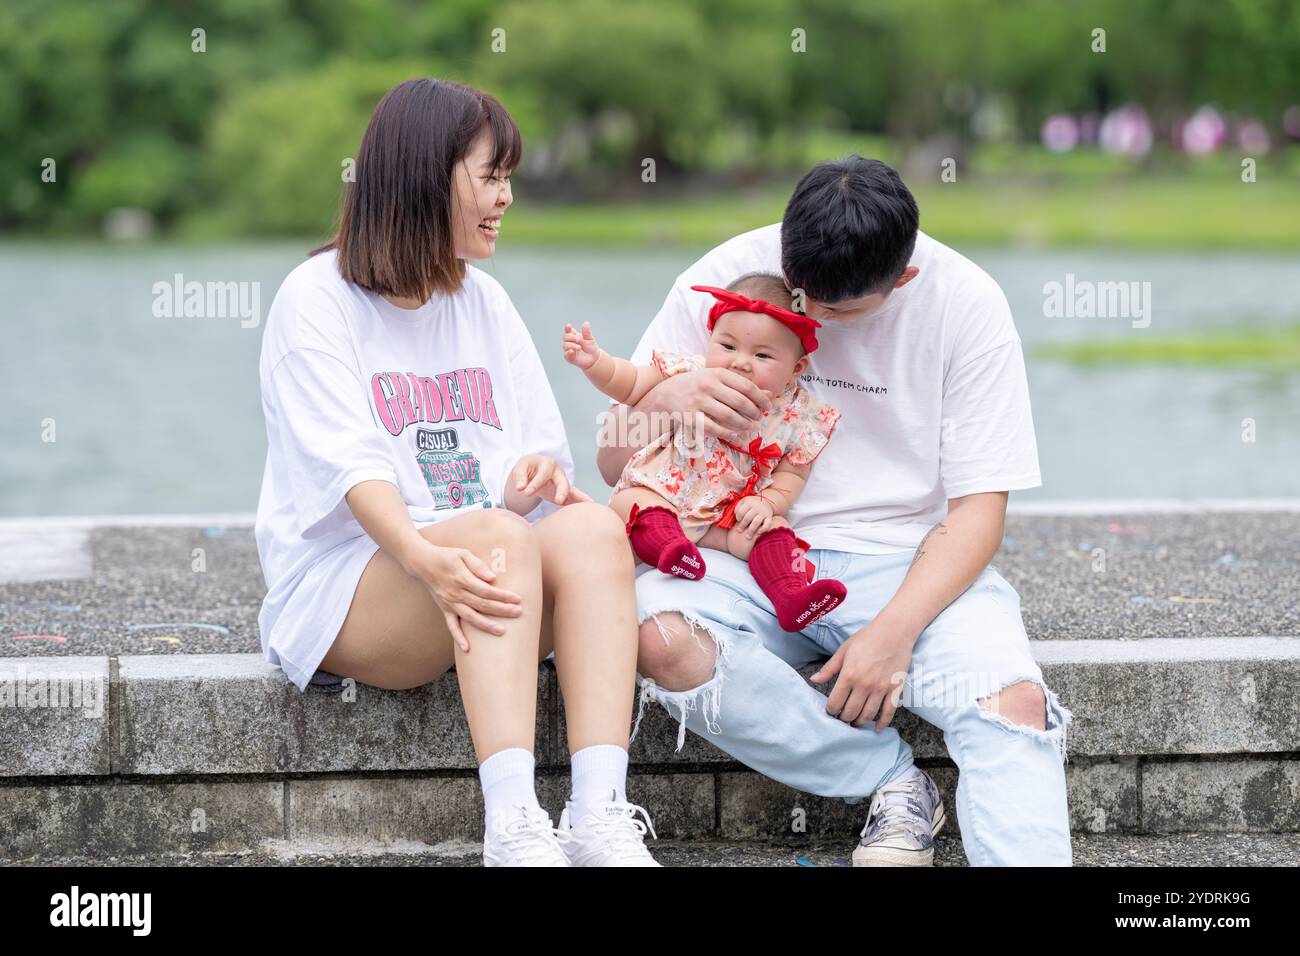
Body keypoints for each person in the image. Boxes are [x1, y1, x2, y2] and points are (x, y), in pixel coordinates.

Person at [598, 156, 1074, 867]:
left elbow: (978, 515)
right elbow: (612, 464)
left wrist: (894, 633)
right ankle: (889, 782)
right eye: (800, 294)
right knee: (657, 635)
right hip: (739, 553)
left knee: (1014, 706)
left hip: (903, 563)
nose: (808, 318)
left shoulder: (966, 303)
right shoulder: (730, 275)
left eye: (837, 310)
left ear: (902, 278)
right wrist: (665, 401)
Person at [254, 77, 659, 866]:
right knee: (494, 537)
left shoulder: (486, 301)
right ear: (422, 176)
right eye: (491, 175)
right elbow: (352, 470)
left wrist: (532, 478)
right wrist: (427, 554)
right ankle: (512, 826)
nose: (506, 197)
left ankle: (597, 813)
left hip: (478, 570)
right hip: (354, 585)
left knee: (592, 529)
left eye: (509, 177)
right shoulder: (316, 300)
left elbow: (524, 464)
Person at [562, 272, 848, 632]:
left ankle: (792, 596)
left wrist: (768, 504)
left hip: (727, 518)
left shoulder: (797, 413)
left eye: (762, 355)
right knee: (634, 501)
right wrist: (596, 362)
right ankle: (671, 552)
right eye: (727, 347)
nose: (740, 362)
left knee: (773, 529)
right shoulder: (690, 373)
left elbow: (793, 474)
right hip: (665, 491)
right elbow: (630, 383)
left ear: (796, 369)